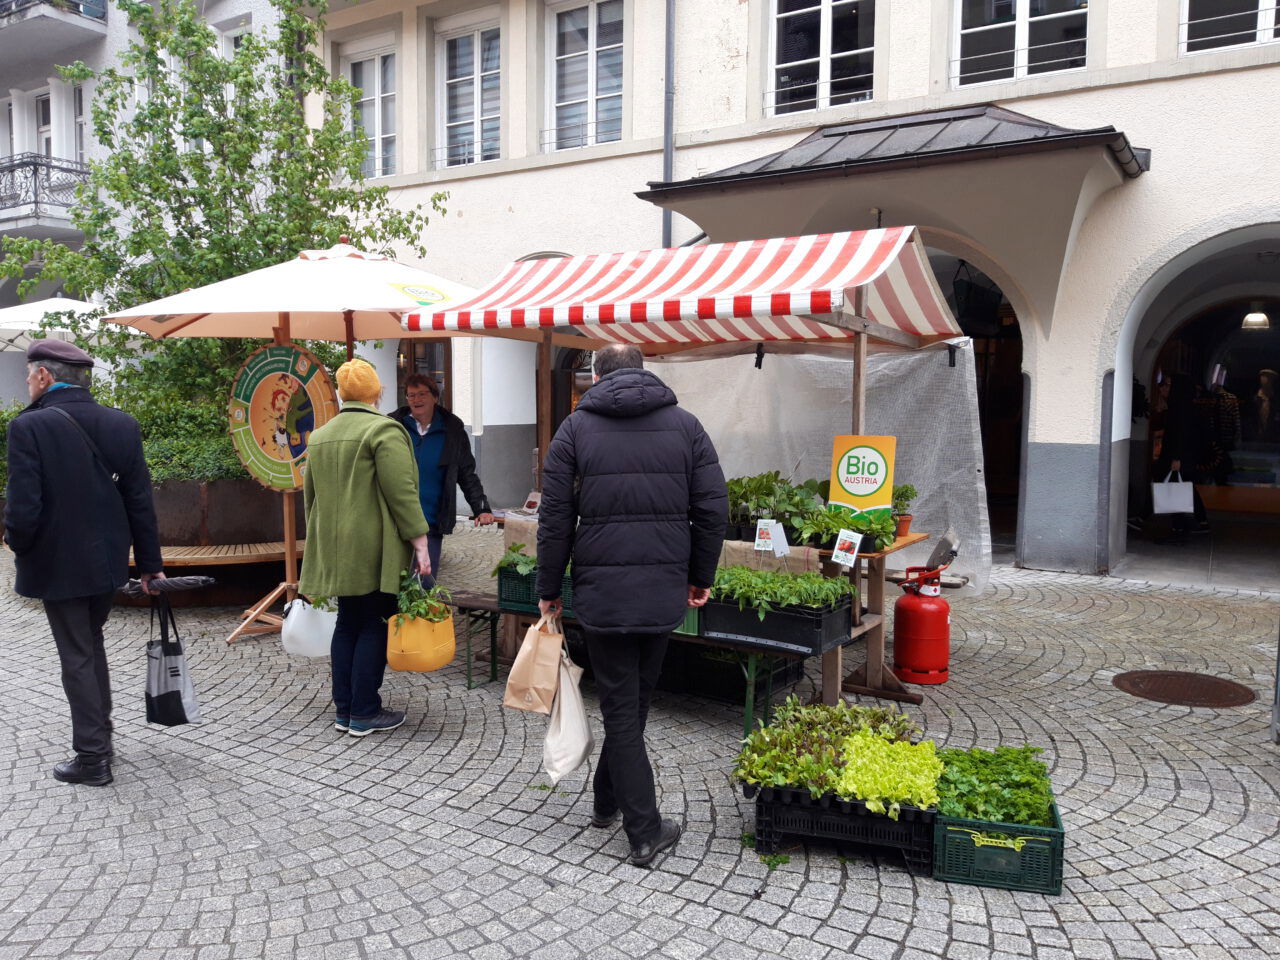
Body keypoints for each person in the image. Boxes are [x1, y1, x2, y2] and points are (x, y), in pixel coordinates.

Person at [536, 343, 727, 868]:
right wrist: (700, 577)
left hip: (603, 592)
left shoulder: (574, 429)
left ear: (596, 377)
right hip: (663, 589)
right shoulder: (687, 427)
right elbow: (713, 509)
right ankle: (643, 829)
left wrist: (549, 587)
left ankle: (613, 806)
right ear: (644, 372)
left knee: (627, 706)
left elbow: (555, 519)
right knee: (631, 705)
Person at [4, 339, 165, 787]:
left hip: (58, 563)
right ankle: (101, 739)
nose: (28, 382)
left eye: (29, 375)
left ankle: (93, 758)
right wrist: (150, 564)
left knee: (77, 653)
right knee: (89, 644)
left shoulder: (28, 427)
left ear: (44, 376)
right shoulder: (121, 423)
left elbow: (23, 507)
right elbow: (139, 500)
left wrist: (18, 545)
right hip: (108, 562)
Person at [299, 359, 431, 737]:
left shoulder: (320, 436)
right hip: (374, 546)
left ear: (342, 394)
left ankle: (345, 710)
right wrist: (420, 542)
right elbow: (402, 492)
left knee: (347, 622)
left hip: (336, 546)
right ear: (377, 392)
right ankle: (365, 712)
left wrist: (320, 544)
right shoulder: (383, 430)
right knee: (374, 622)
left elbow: (311, 499)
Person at [387, 373, 495, 587]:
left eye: (422, 394)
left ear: (435, 397)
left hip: (431, 520)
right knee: (392, 584)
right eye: (411, 395)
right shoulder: (393, 425)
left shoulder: (452, 429)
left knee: (424, 584)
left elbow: (466, 473)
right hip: (394, 520)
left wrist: (481, 508)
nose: (416, 400)